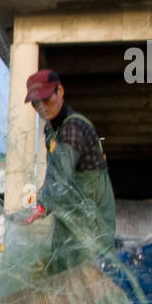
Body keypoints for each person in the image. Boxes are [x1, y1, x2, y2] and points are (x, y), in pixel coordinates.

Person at [20, 70, 116, 273]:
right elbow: (53, 172)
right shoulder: (50, 130)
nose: (41, 107)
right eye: (36, 103)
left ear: (60, 91)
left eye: (46, 99)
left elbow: (61, 174)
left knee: (87, 274)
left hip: (92, 215)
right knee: (61, 267)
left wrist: (42, 206)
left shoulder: (74, 128)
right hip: (71, 209)